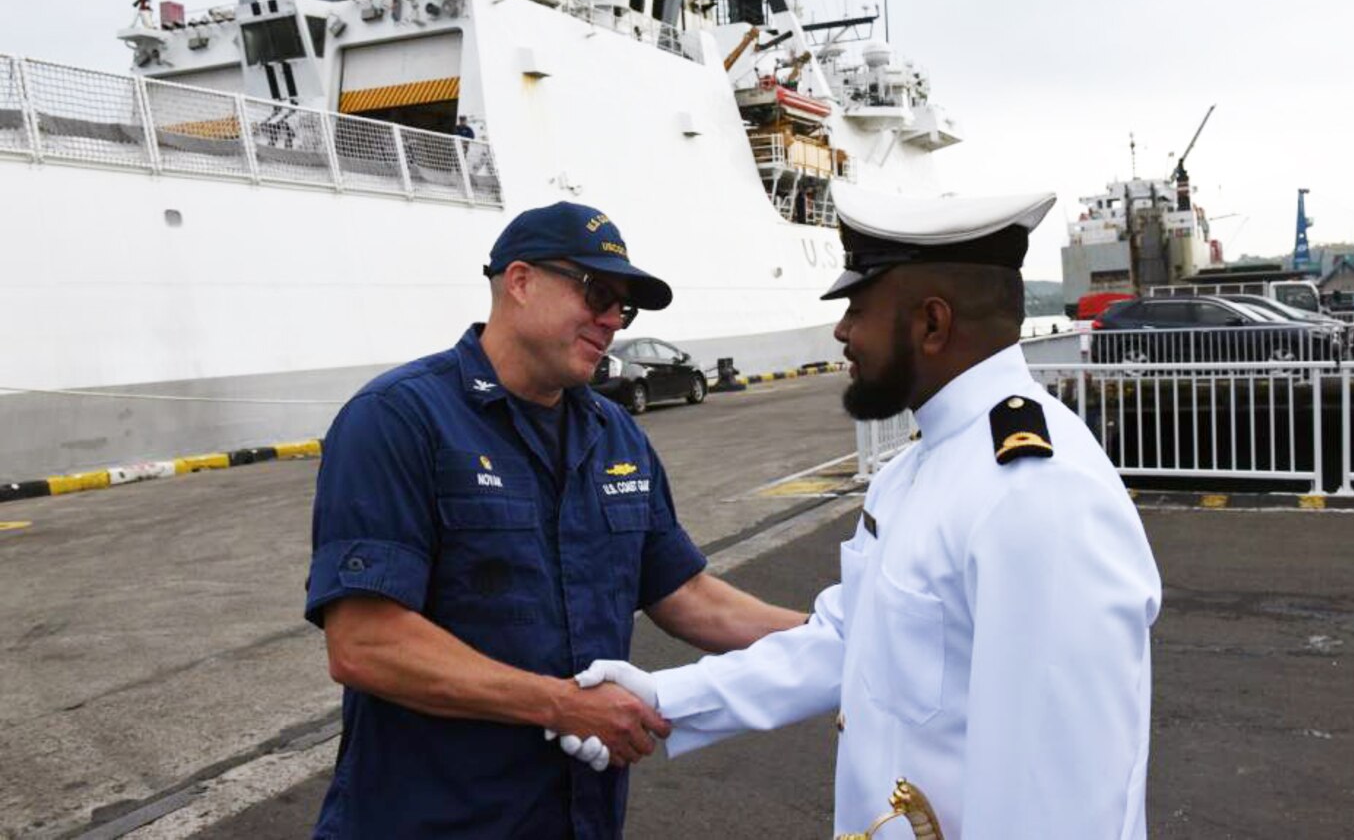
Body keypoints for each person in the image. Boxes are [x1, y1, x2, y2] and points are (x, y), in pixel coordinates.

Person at [573, 185, 1163, 838]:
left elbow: (1062, 804)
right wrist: (662, 699)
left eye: (858, 305)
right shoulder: (911, 473)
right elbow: (850, 642)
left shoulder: (1035, 495)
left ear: (932, 323)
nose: (842, 330)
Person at [305, 201, 806, 838]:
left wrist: (837, 635)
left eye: (623, 307)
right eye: (596, 292)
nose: (610, 321)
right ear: (519, 282)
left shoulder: (615, 433)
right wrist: (560, 706)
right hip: (430, 818)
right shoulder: (398, 420)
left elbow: (685, 593)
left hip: (576, 819)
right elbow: (365, 643)